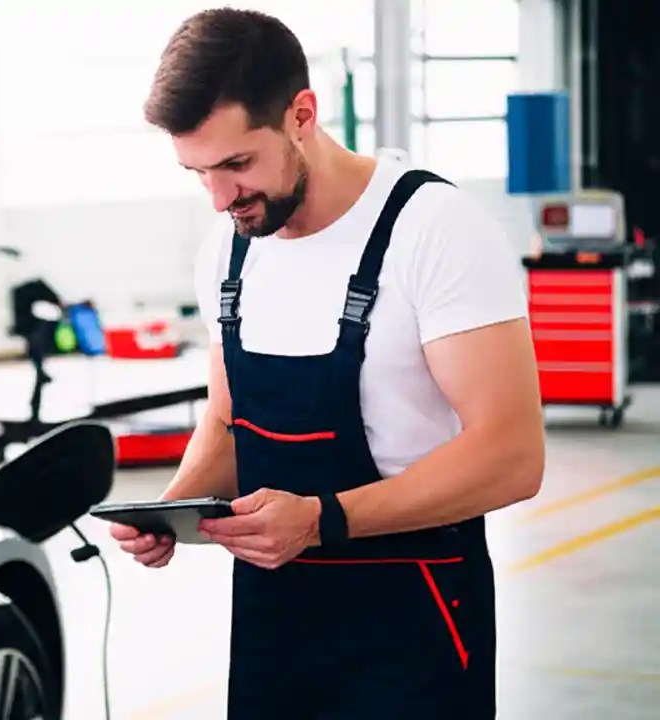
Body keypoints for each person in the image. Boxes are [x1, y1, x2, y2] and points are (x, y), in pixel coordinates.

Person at [109, 8, 545, 719]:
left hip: (415, 620)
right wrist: (172, 508)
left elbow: (512, 455)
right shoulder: (232, 247)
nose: (221, 199)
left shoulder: (432, 230)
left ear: (302, 115)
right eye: (198, 174)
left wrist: (319, 520)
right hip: (273, 622)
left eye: (237, 165)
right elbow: (228, 420)